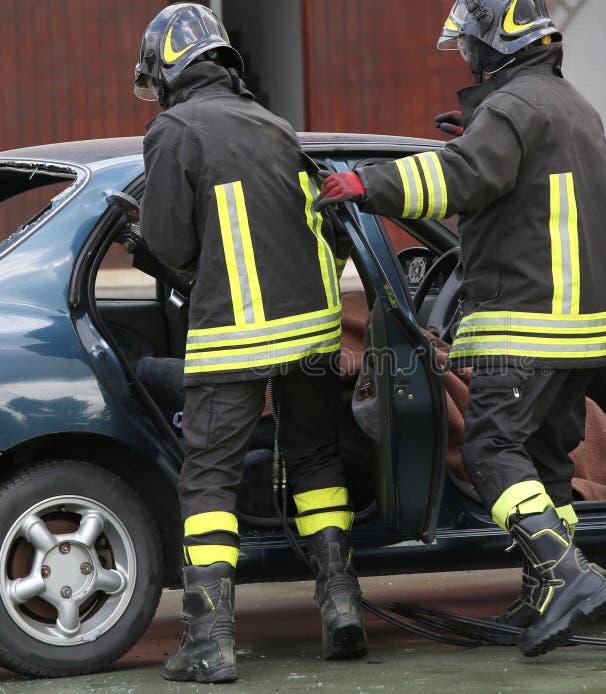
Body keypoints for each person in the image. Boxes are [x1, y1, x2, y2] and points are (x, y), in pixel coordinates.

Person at [314, 0, 606, 657]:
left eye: (470, 46)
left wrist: (365, 183)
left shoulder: (515, 109)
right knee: (544, 466)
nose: (468, 58)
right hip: (579, 332)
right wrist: (479, 127)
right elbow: (520, 183)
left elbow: (459, 177)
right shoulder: (570, 107)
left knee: (490, 451)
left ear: (496, 42)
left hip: (528, 326)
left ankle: (568, 576)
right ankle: (546, 594)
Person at [133, 3, 365, 682]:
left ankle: (209, 642)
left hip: (235, 335)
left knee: (209, 479)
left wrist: (148, 242)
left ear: (169, 66)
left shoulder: (174, 129)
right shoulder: (274, 125)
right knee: (317, 460)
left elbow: (173, 244)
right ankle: (342, 604)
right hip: (315, 327)